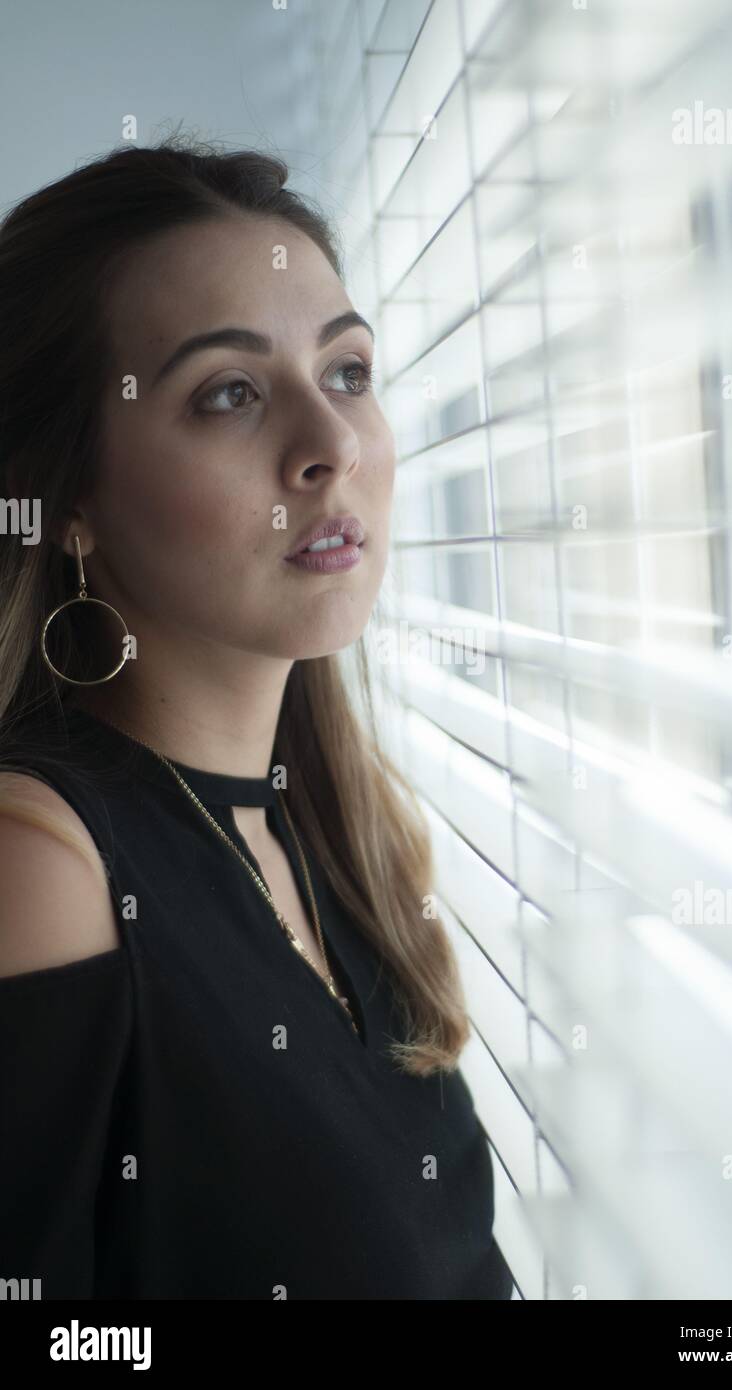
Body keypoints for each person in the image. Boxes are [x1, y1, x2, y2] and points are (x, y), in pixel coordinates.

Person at [0, 133, 515, 1300]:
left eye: (345, 372)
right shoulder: (39, 865)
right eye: (229, 393)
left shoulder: (323, 822)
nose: (332, 448)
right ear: (70, 499)